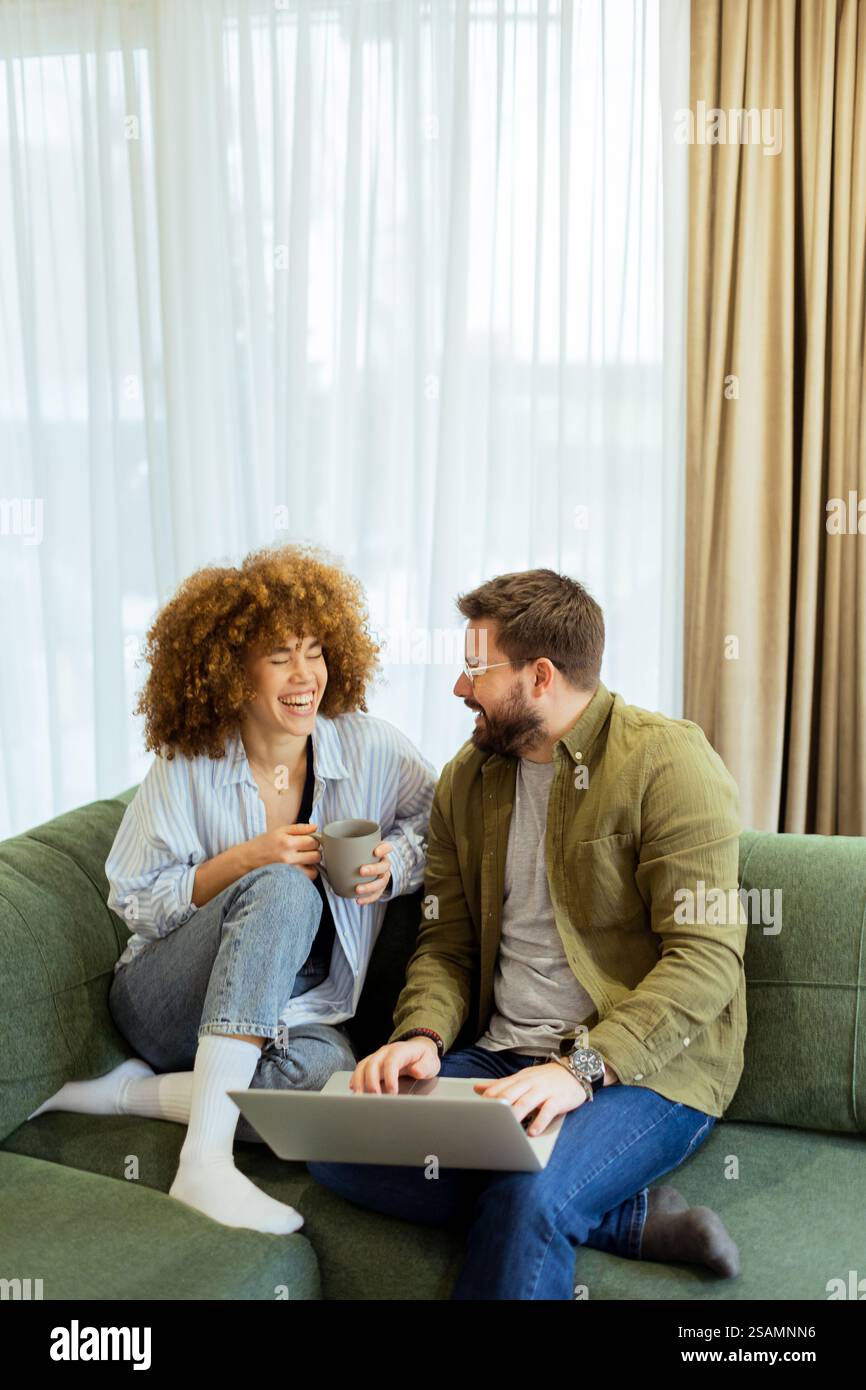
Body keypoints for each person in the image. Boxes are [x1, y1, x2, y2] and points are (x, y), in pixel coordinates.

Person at [307, 567, 745, 1298]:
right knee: (338, 1146)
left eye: (475, 669)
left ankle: (566, 1197)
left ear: (541, 677)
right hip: (504, 1057)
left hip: (645, 1073)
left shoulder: (668, 762)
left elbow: (706, 960)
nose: (458, 688)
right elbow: (447, 945)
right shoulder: (466, 782)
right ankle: (628, 1220)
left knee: (527, 1195)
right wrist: (420, 1035)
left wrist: (580, 1070)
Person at [28, 542, 437, 1236]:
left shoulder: (370, 747)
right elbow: (133, 897)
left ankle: (126, 1094)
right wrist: (243, 862)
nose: (305, 673)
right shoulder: (186, 765)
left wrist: (395, 864)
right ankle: (206, 1164)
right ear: (230, 672)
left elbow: (439, 820)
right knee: (283, 889)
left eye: (315, 650)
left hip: (297, 1013)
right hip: (167, 1002)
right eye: (280, 655)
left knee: (330, 1091)